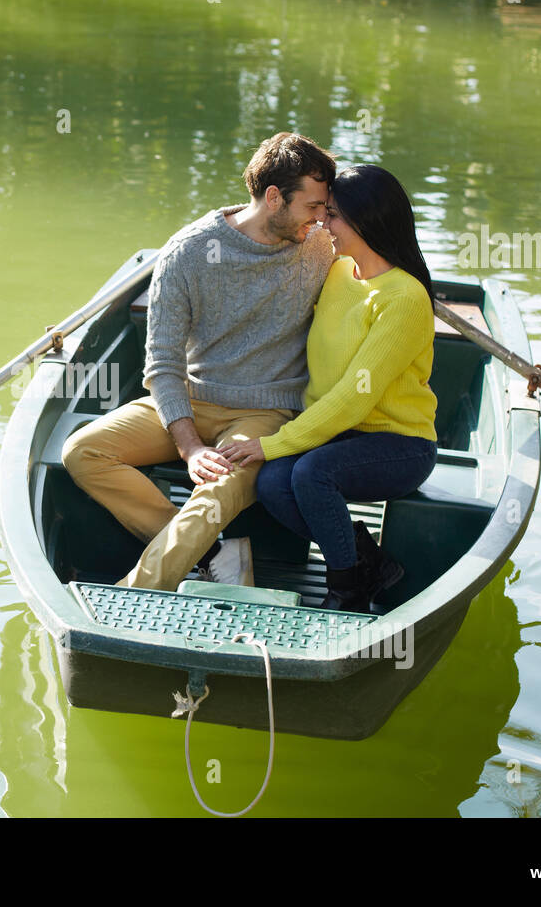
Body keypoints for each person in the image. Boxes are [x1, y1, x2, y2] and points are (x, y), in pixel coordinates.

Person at [62, 132, 337, 591]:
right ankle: (214, 554)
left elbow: (376, 270)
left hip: (264, 412)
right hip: (191, 399)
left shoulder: (320, 247)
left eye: (326, 208)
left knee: (218, 489)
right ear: (274, 198)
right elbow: (163, 362)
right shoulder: (189, 252)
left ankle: (137, 592)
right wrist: (189, 446)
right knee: (83, 451)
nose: (322, 218)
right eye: (313, 207)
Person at [218, 164, 438, 614]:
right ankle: (366, 557)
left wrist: (275, 442)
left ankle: (347, 591)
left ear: (365, 220)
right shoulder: (338, 272)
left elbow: (355, 397)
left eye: (333, 215)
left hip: (399, 443)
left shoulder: (404, 299)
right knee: (275, 481)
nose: (322, 223)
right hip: (336, 434)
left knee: (309, 473)